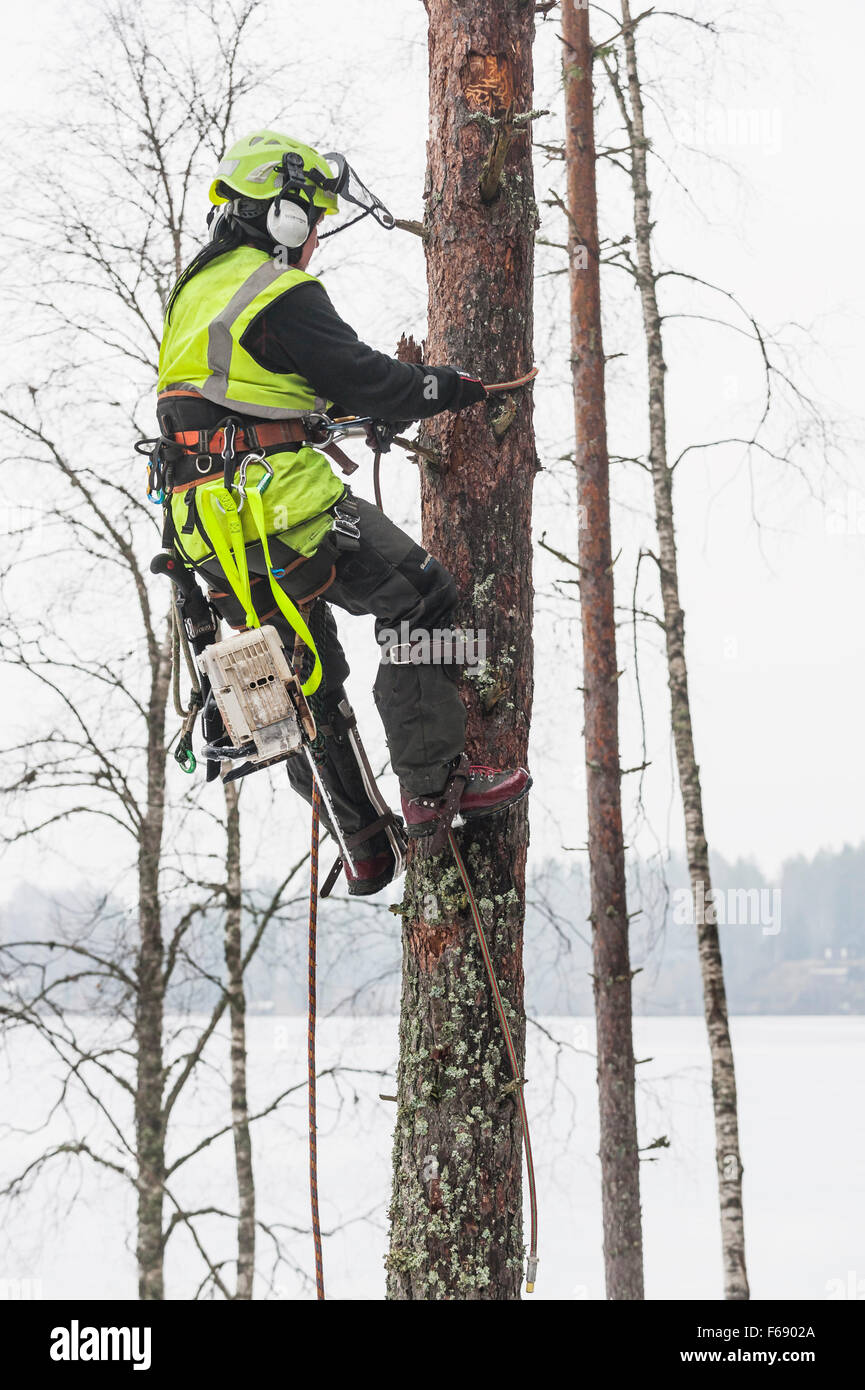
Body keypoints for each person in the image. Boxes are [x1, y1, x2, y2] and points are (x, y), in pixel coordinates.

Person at [155, 130, 530, 894]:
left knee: (300, 672)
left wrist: (322, 412)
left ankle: (360, 840)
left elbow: (236, 394)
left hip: (206, 528)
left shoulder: (197, 292)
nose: (317, 236)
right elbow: (370, 381)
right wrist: (445, 387)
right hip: (278, 509)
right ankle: (433, 788)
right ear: (284, 217)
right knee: (421, 598)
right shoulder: (276, 291)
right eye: (313, 217)